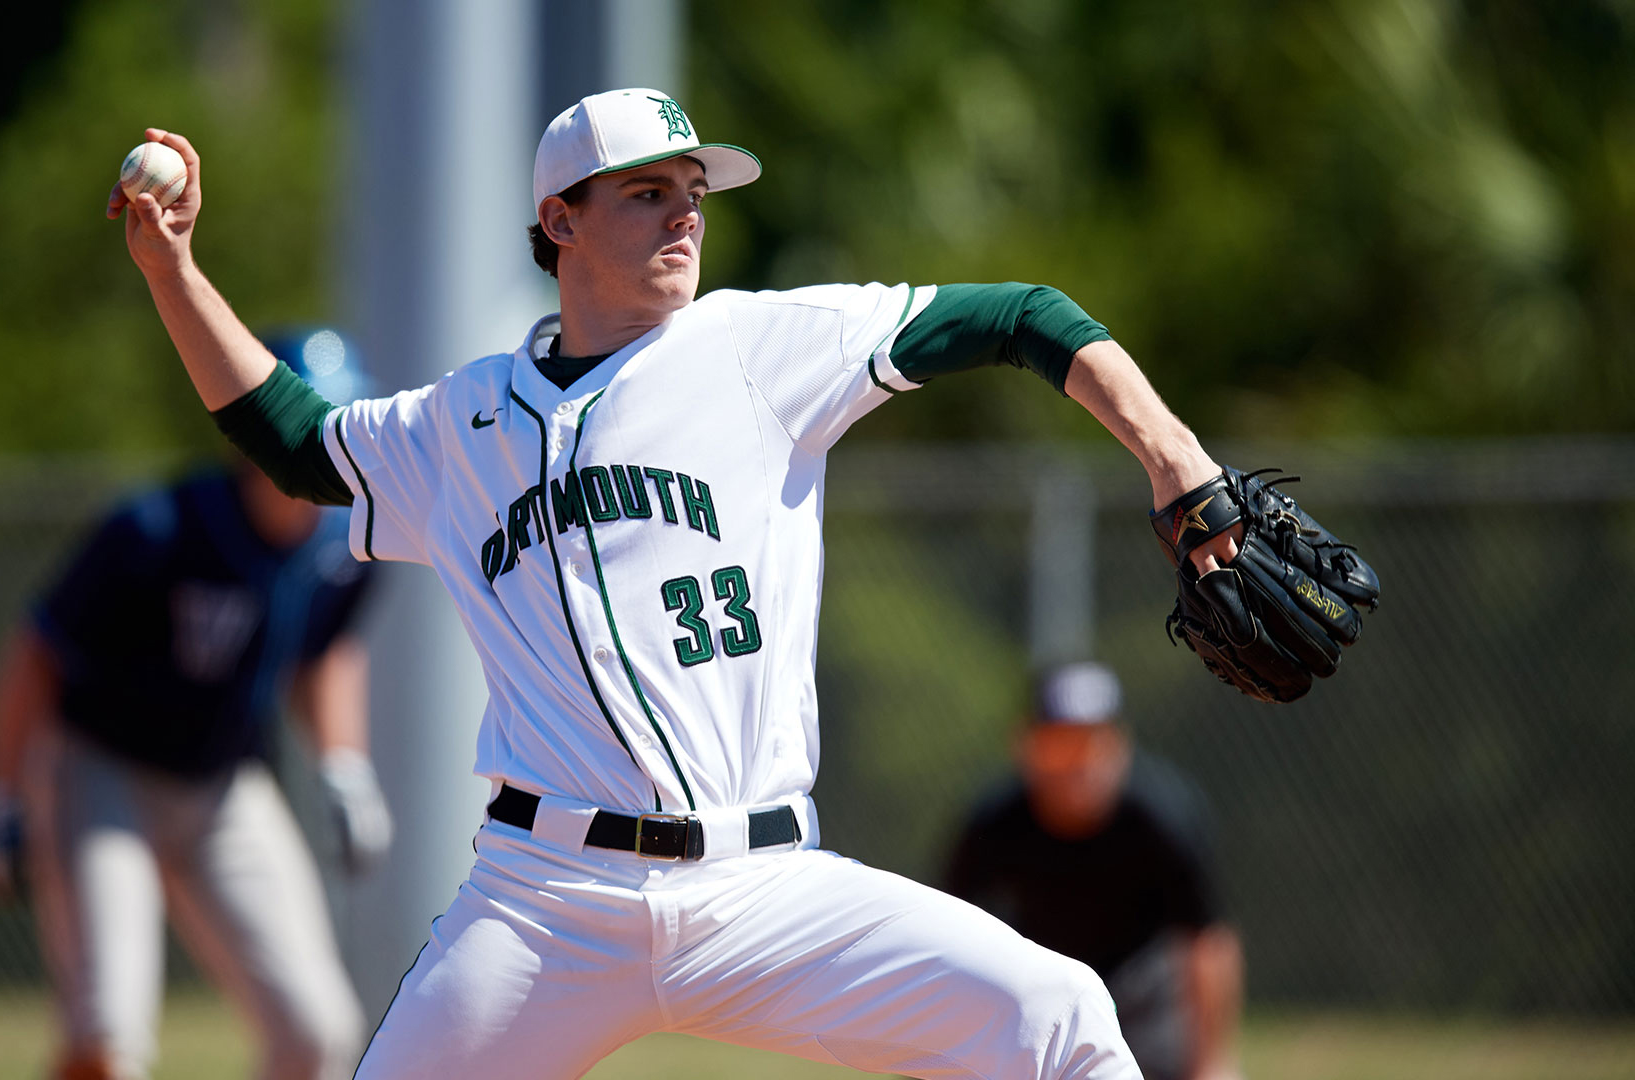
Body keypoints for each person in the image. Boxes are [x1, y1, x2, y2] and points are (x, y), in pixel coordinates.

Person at [106, 87, 1246, 1079]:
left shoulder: (761, 349)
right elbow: (297, 443)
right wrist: (173, 270)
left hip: (761, 886)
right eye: (646, 191)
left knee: (1060, 1018)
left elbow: (1022, 316)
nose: (686, 211)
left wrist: (1175, 455)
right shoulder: (462, 421)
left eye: (693, 189)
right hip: (544, 901)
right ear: (560, 221)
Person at [0, 329, 394, 1080]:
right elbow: (36, 655)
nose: (324, 446)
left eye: (337, 425)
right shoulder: (157, 529)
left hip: (223, 787)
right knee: (108, 1037)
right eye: (305, 425)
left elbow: (325, 654)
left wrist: (346, 768)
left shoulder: (344, 542)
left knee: (318, 1034)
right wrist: (2, 798)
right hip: (102, 776)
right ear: (254, 432)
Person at [944, 663, 1246, 1080]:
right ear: (1025, 746)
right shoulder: (995, 823)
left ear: (1119, 747)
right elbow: (950, 935)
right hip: (1039, 984)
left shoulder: (1161, 815)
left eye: (1089, 745)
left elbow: (1205, 943)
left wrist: (1211, 1065)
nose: (1076, 767)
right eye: (1058, 746)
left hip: (1141, 993)